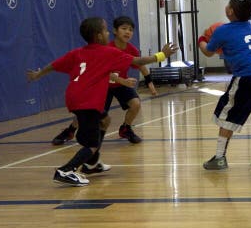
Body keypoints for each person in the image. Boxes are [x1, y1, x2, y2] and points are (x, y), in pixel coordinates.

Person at [27, 17, 169, 185]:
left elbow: (54, 65)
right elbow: (138, 61)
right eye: (105, 30)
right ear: (98, 35)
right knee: (92, 144)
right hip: (87, 100)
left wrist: (38, 75)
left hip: (74, 96)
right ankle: (65, 170)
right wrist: (161, 55)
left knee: (105, 120)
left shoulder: (77, 52)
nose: (108, 33)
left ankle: (91, 164)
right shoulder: (107, 52)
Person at [51, 15, 172, 146]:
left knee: (135, 104)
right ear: (114, 31)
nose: (127, 32)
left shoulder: (131, 49)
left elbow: (141, 65)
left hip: (120, 85)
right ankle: (70, 130)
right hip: (103, 85)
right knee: (90, 111)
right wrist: (123, 81)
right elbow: (105, 73)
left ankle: (126, 128)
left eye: (130, 30)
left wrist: (151, 85)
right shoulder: (106, 48)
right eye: (124, 28)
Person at [198, 0, 251, 171]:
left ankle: (219, 157)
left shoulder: (222, 30)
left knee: (228, 113)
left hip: (248, 76)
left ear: (230, 10)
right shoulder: (248, 26)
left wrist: (202, 40)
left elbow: (208, 52)